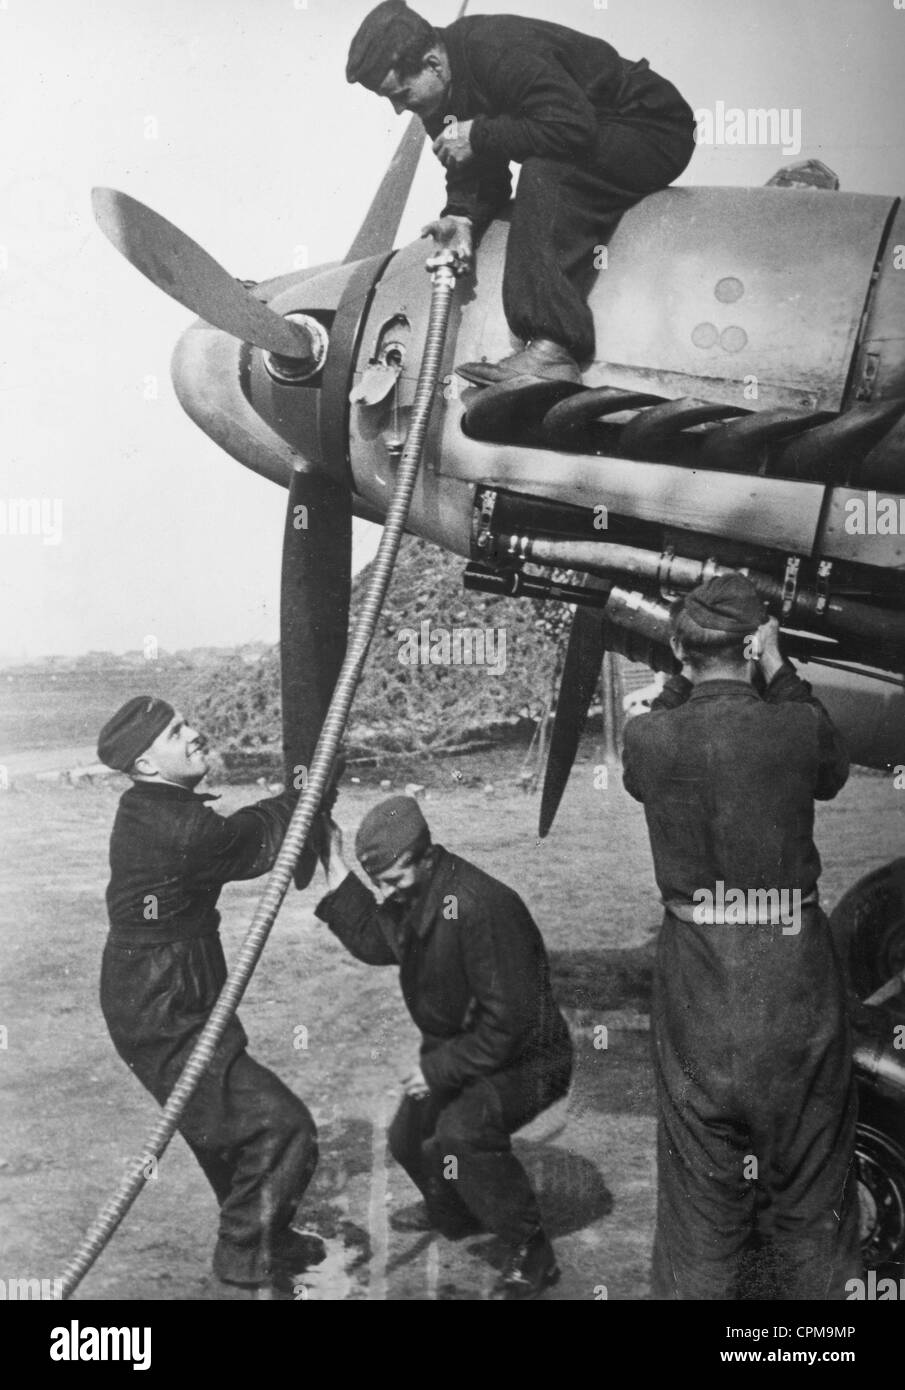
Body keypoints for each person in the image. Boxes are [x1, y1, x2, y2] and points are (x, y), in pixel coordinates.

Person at [621, 575, 861, 1300]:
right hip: (794, 990)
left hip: (697, 990)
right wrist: (780, 667)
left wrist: (672, 684)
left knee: (700, 1205)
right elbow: (831, 769)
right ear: (754, 643)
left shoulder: (648, 739)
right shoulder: (795, 726)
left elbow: (643, 762)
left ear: (676, 645)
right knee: (812, 1200)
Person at [346, 1, 696, 386]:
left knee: (548, 171)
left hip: (651, 126)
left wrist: (478, 134)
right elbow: (476, 175)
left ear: (433, 64)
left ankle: (552, 349)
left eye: (400, 93)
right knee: (542, 164)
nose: (398, 108)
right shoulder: (440, 93)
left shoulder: (496, 49)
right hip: (594, 131)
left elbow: (572, 128)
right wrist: (461, 217)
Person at [97, 696, 320, 1293]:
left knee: (220, 1119)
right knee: (281, 1126)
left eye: (187, 722)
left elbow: (239, 832)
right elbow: (248, 842)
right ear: (146, 764)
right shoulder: (178, 826)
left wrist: (300, 798)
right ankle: (242, 1262)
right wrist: (306, 796)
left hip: (169, 980)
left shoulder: (154, 804)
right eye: (177, 732)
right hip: (159, 999)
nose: (196, 734)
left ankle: (265, 1234)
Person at [315, 795, 573, 1299]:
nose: (387, 894)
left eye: (392, 881)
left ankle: (532, 1251)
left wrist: (439, 1071)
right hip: (472, 1053)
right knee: (408, 1139)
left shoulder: (481, 906)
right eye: (380, 885)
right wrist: (333, 860)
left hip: (529, 1059)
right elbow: (375, 938)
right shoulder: (420, 894)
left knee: (459, 1133)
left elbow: (513, 1022)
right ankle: (460, 1211)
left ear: (426, 857)